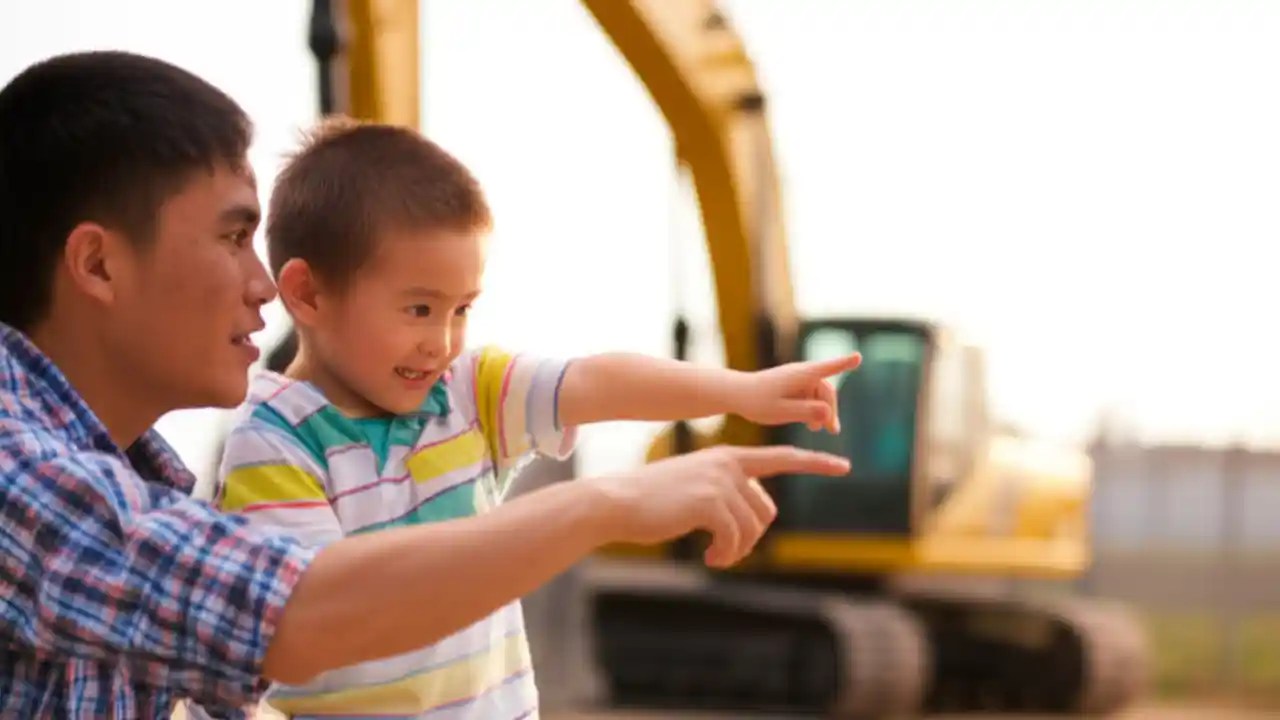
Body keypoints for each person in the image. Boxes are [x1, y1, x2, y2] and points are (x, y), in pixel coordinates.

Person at [0, 50, 854, 719]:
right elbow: (295, 618)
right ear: (98, 264)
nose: (261, 286)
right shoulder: (21, 471)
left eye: (460, 311)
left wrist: (737, 390)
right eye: (232, 239)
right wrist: (613, 504)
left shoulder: (146, 482)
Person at [211, 118, 862, 719]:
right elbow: (324, 617)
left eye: (462, 309)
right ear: (308, 294)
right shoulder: (274, 444)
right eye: (418, 310)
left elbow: (598, 381)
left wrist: (740, 391)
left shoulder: (465, 394)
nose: (442, 341)